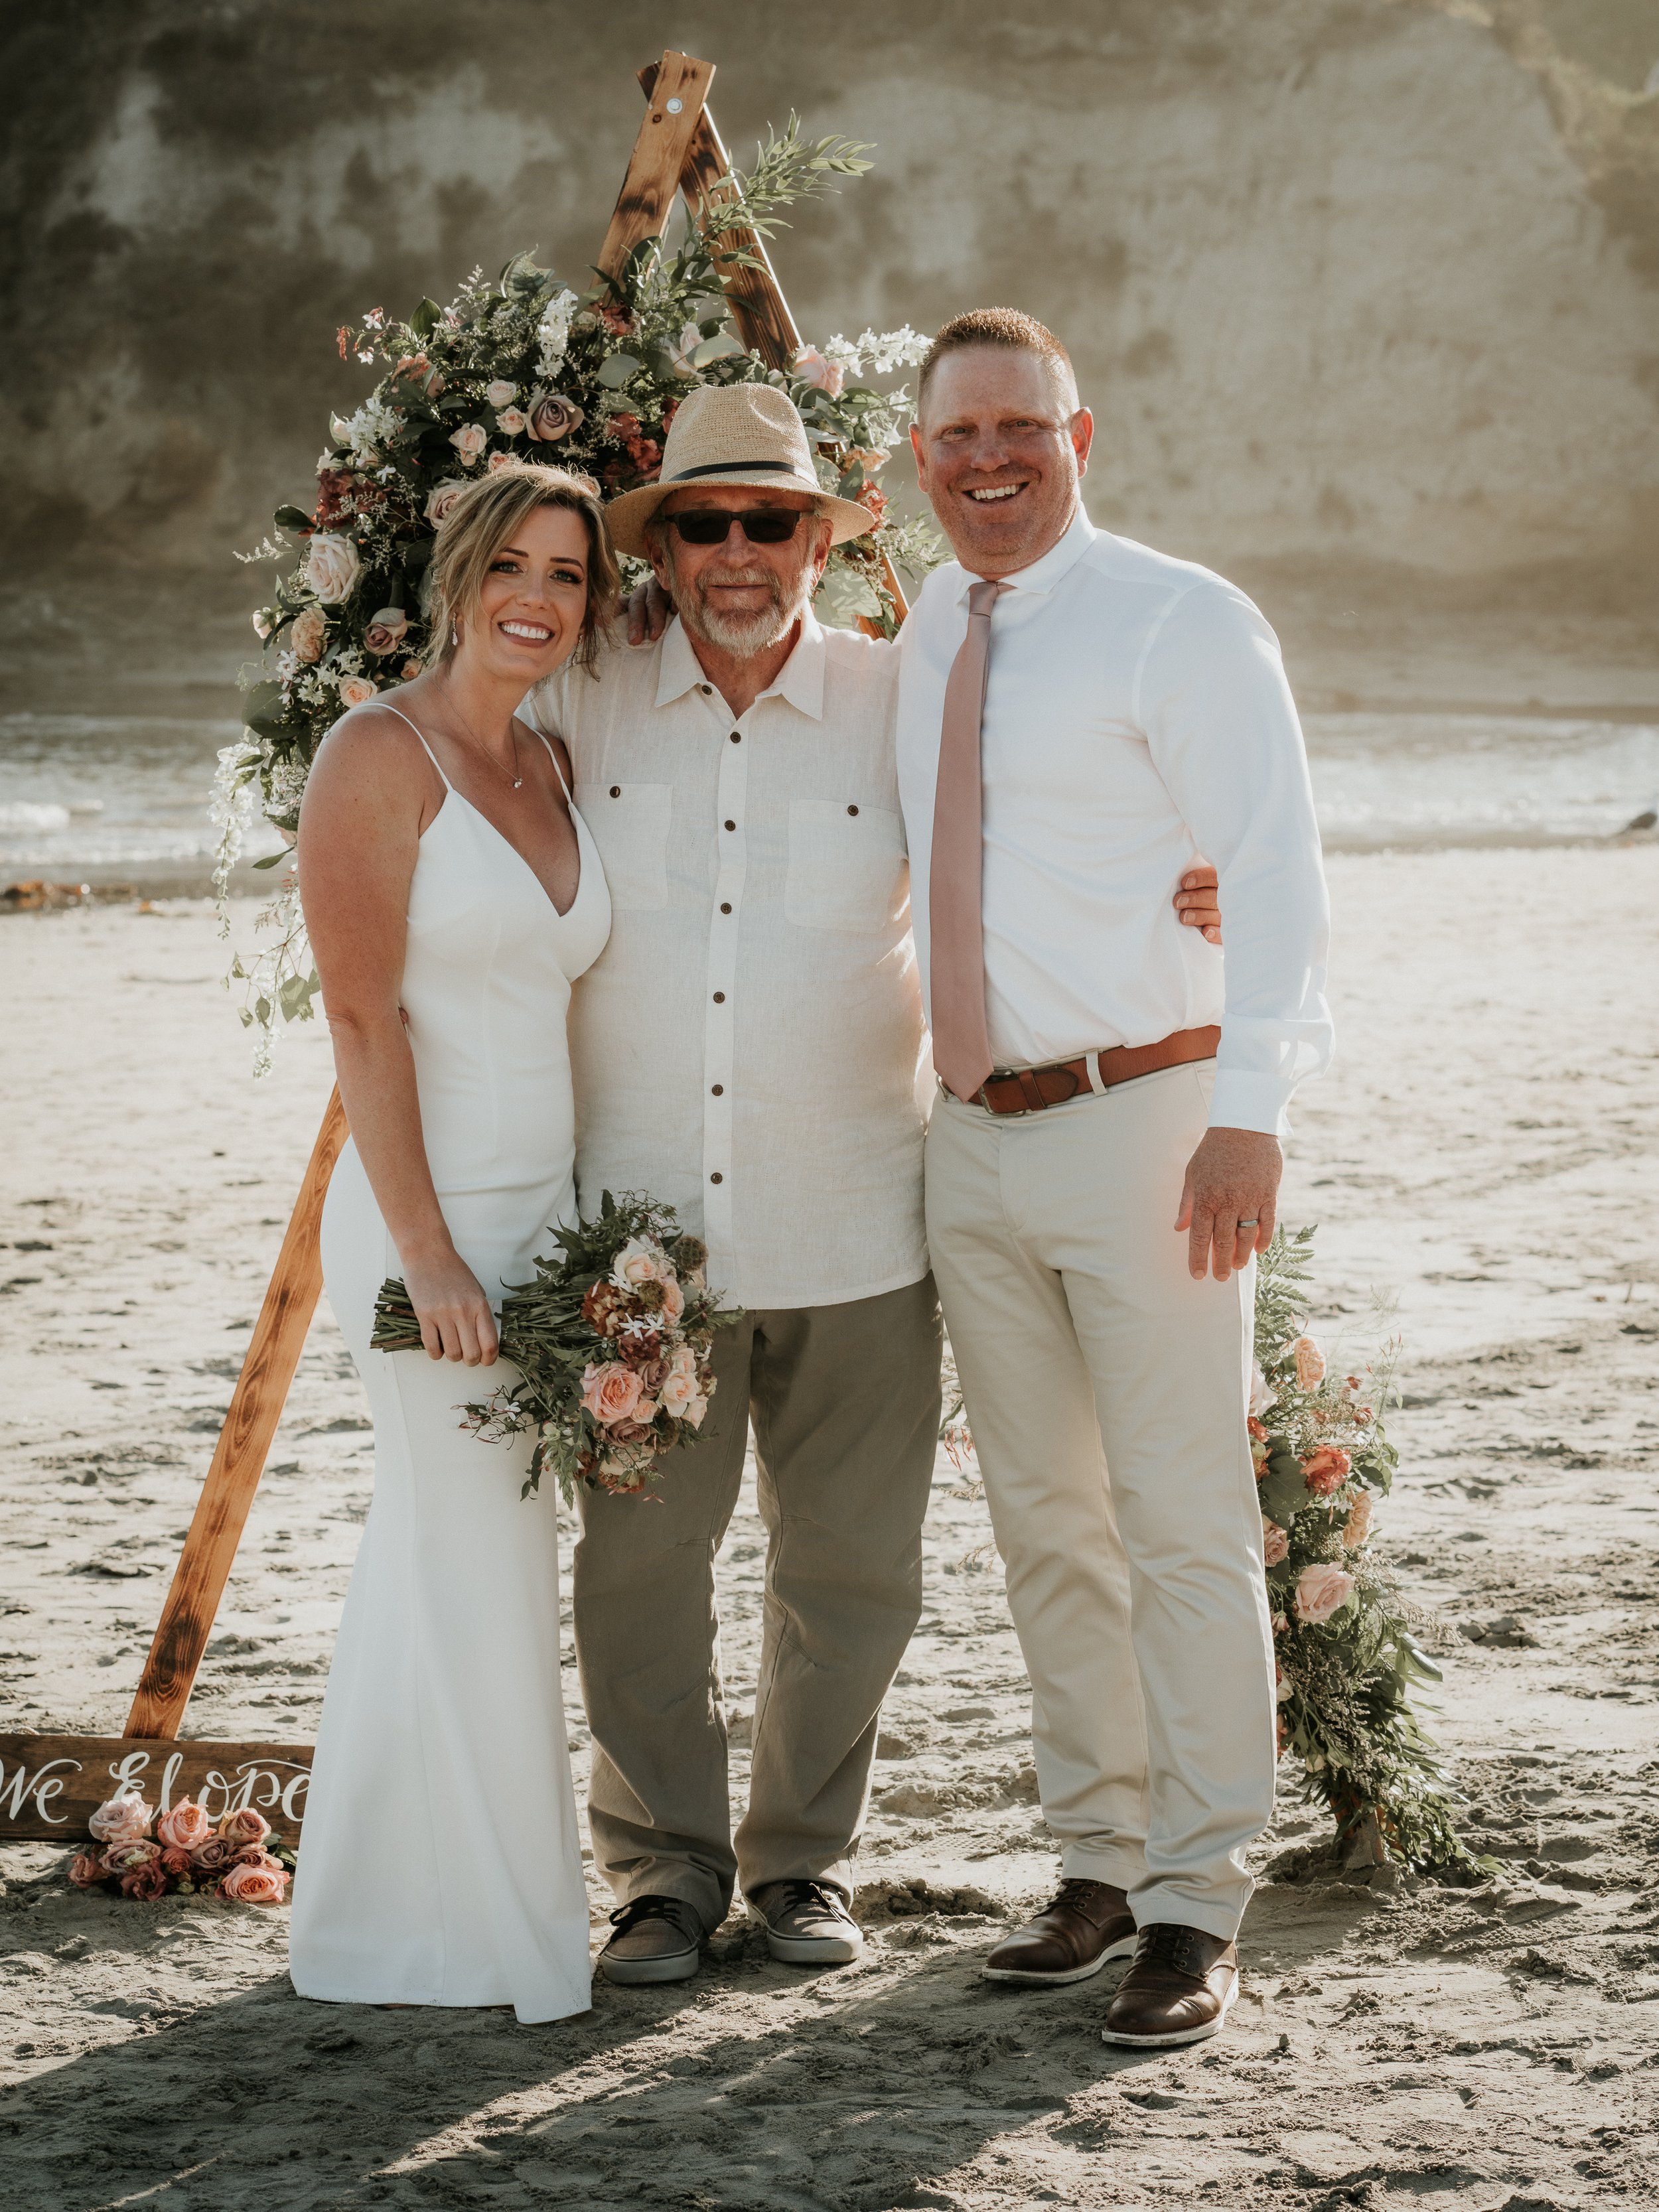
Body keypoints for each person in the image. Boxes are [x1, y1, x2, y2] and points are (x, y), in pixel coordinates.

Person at [524, 381, 1228, 1988]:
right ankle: (660, 1872)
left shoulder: (903, 691)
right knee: (636, 1572)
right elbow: (443, 762)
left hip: (860, 1216)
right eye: (701, 523)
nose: (735, 551)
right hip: (639, 1244)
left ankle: (796, 1866)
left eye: (768, 520)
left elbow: (1053, 808)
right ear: (664, 543)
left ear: (819, 538)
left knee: (850, 1572)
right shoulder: (583, 693)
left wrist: (1198, 857)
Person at [897, 309, 1333, 2047]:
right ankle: (1092, 1858)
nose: (987, 458)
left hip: (1150, 1123)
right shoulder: (923, 624)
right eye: (954, 435)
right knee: (1044, 1522)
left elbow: (1277, 868)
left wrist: (1252, 1108)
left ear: (1082, 434)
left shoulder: (1179, 618)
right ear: (915, 461)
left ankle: (1198, 1892)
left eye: (1017, 425)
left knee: (1179, 1518)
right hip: (970, 1136)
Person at [288, 464, 614, 2024]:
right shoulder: (378, 751)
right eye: (514, 562)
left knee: (447, 1552)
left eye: (568, 570)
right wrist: (426, 1255)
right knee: (476, 1557)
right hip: (435, 1225)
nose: (539, 594)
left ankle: (370, 1912)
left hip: (549, 1219)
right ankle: (499, 1936)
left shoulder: (549, 760)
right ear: (459, 566)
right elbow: (360, 1014)